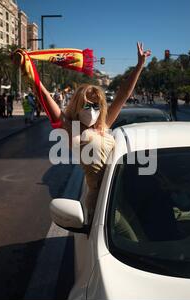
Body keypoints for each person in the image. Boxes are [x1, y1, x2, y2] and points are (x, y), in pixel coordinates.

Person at [37, 42, 150, 217]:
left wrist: (139, 66)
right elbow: (47, 99)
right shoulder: (73, 129)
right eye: (87, 106)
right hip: (99, 204)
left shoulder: (104, 125)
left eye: (96, 106)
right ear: (76, 106)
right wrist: (29, 72)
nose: (92, 111)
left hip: (119, 196)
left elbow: (123, 95)